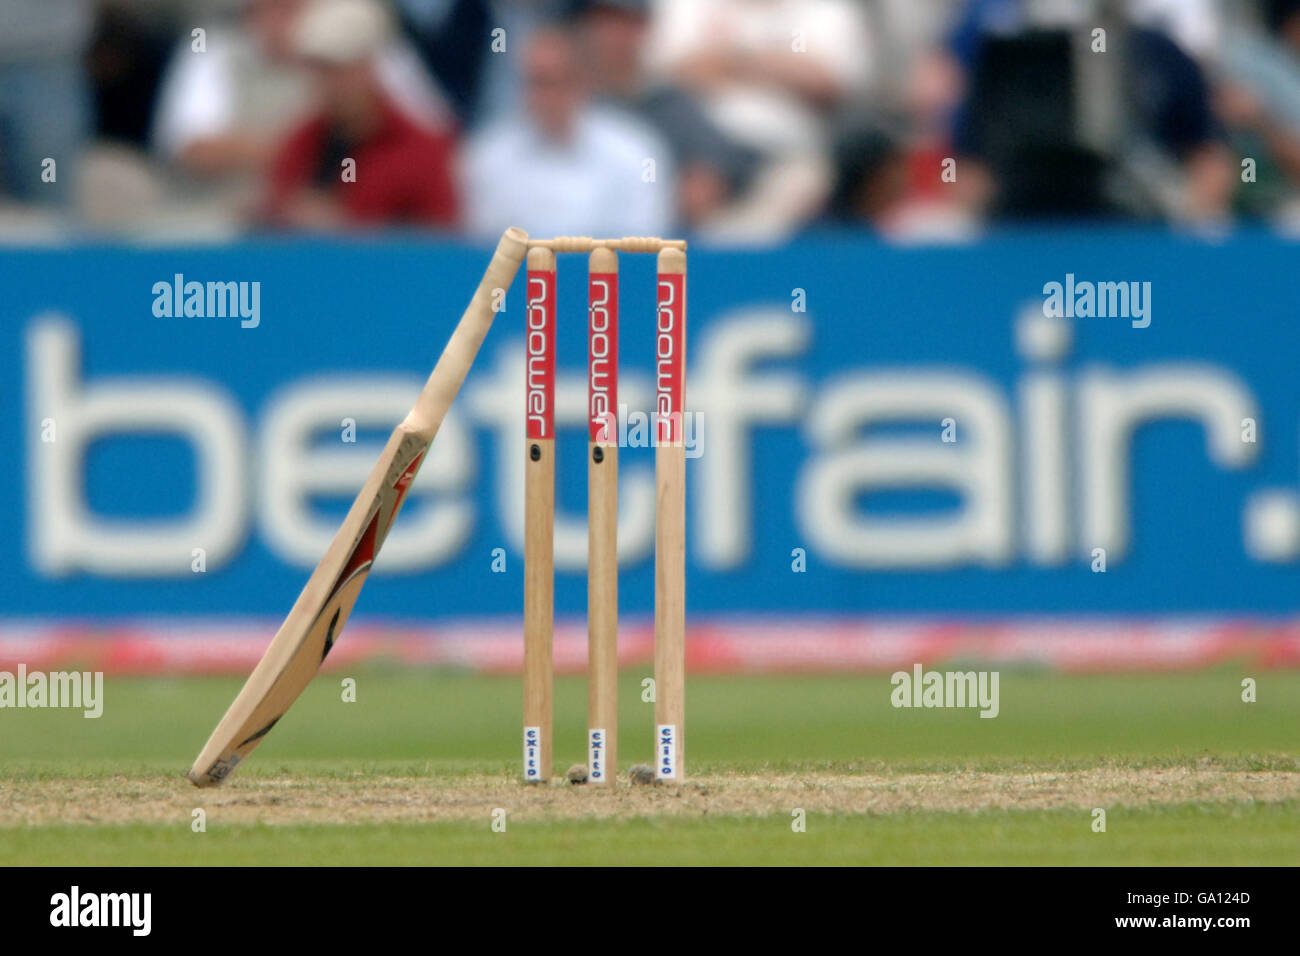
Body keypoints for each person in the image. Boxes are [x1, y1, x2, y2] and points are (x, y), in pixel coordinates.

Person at [461, 25, 673, 239]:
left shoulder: (637, 153)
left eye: (562, 80)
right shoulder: (486, 157)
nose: (551, 95)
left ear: (585, 82)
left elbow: (644, 244)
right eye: (539, 82)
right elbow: (481, 249)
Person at [263, 0, 458, 229]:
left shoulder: (422, 150)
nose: (329, 83)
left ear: (370, 67)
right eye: (320, 69)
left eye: (340, 69)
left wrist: (345, 227)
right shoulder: (300, 144)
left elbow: (440, 244)